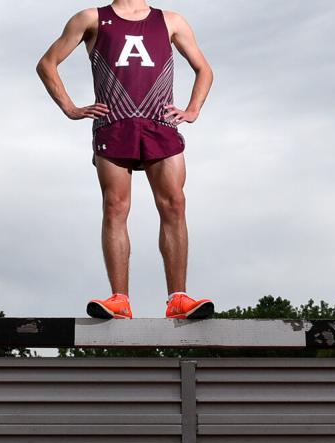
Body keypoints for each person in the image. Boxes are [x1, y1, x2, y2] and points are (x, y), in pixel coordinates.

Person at [36, 2, 216, 320]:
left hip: (160, 124)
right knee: (116, 207)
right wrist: (70, 107)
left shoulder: (171, 21)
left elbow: (204, 69)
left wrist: (193, 110)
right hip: (114, 124)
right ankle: (120, 300)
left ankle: (178, 300)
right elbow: (47, 64)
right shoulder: (91, 18)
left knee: (174, 204)